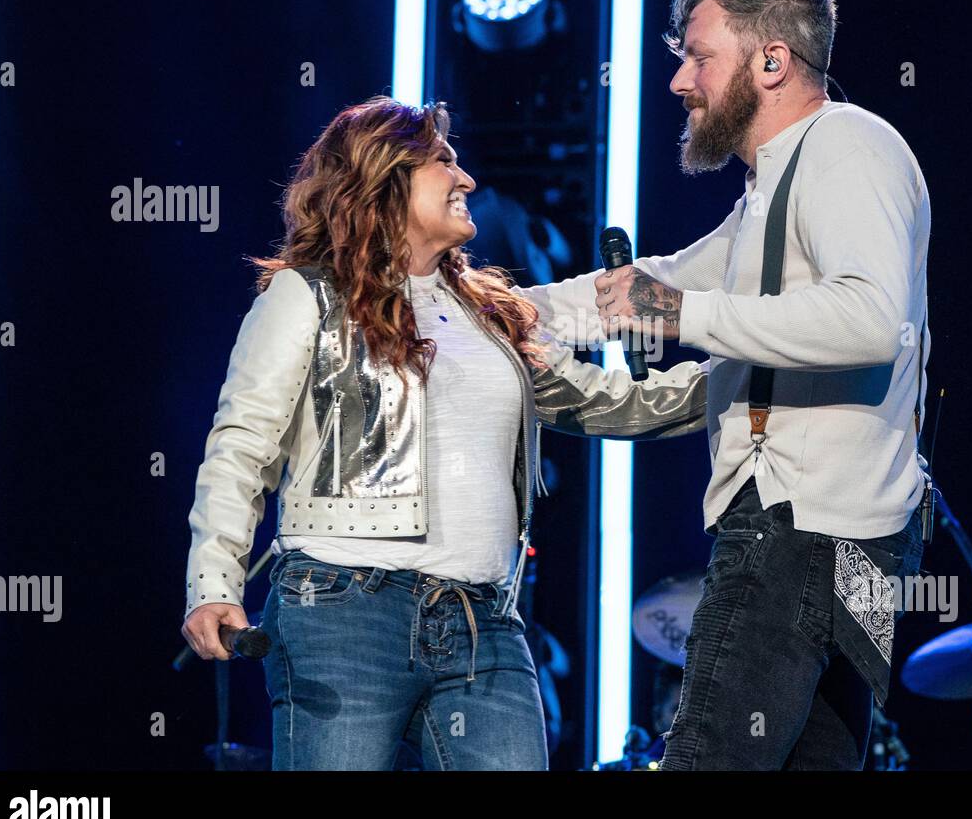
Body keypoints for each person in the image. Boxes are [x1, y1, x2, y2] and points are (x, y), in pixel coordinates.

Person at [179, 96, 707, 770]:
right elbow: (240, 446)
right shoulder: (307, 296)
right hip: (344, 610)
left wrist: (749, 376)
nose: (469, 182)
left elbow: (609, 403)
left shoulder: (490, 316)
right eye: (445, 164)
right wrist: (214, 584)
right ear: (384, 178)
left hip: (486, 621)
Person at [521, 0, 932, 770]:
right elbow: (650, 285)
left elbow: (871, 320)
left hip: (799, 527)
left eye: (698, 56)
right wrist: (495, 311)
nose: (679, 80)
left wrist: (681, 316)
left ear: (771, 62)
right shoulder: (773, 188)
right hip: (850, 544)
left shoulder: (848, 145)